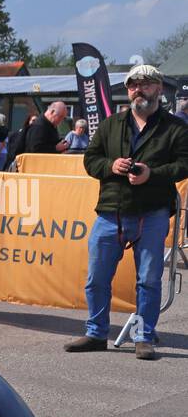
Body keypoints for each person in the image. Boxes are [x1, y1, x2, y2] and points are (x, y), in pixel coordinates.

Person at [66, 65, 188, 359]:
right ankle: (95, 333)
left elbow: (184, 164)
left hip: (153, 212)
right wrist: (111, 166)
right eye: (133, 85)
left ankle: (143, 337)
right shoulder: (111, 124)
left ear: (159, 89)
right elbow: (91, 159)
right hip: (112, 211)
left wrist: (152, 173)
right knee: (97, 277)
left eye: (145, 84)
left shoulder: (176, 128)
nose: (138, 89)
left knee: (148, 279)